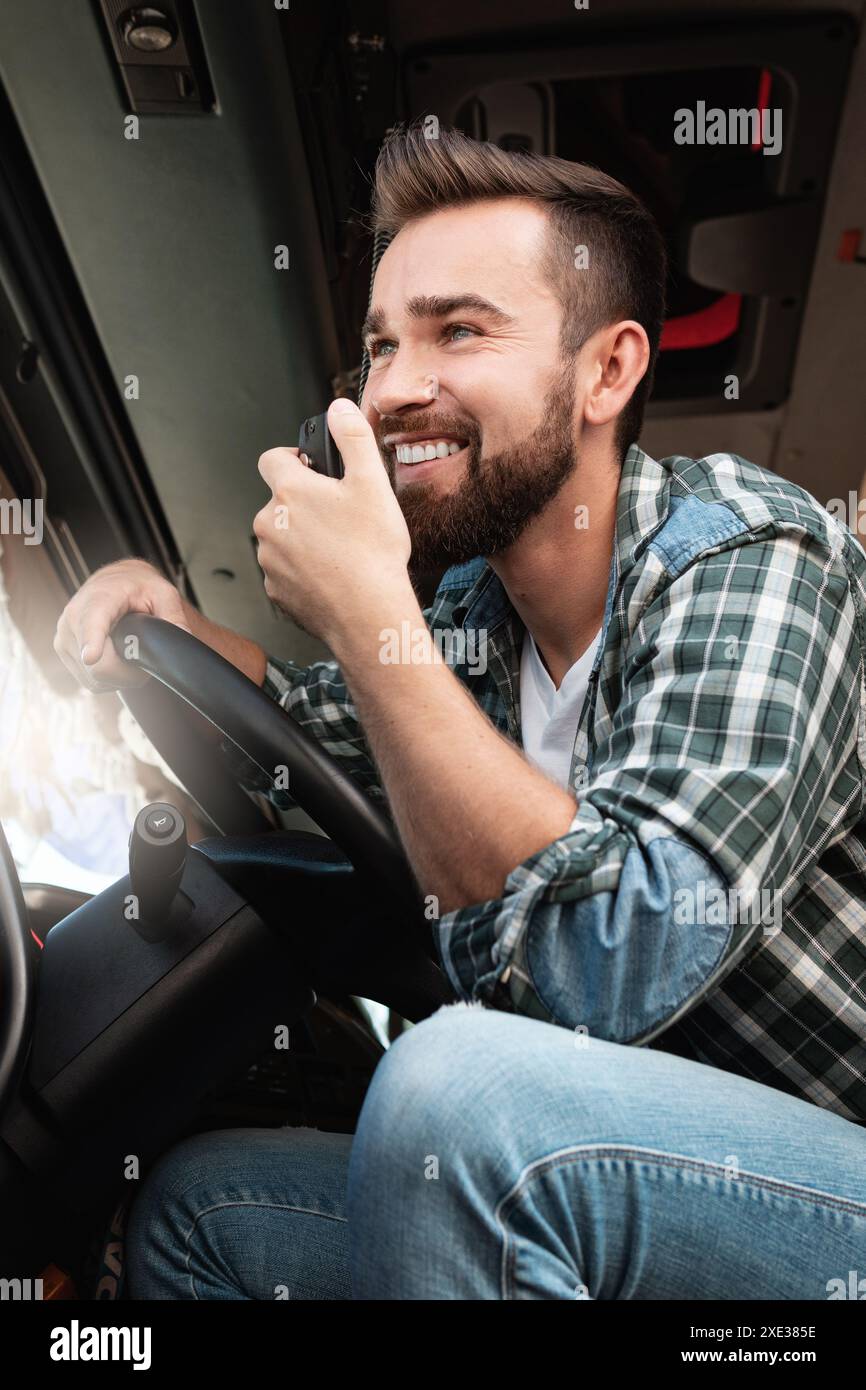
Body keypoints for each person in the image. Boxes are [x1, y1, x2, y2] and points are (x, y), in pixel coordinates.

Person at [55, 124, 866, 1300]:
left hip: (823, 1190)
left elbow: (611, 962)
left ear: (607, 371)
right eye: (380, 346)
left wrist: (367, 606)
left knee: (458, 1091)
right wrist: (170, 626)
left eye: (459, 331)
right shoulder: (471, 618)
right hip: (643, 1179)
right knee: (204, 1210)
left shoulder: (753, 553)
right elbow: (309, 725)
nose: (392, 389)